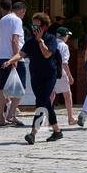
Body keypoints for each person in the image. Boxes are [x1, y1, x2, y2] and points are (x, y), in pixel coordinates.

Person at [16, 12, 62, 145]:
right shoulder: (30, 42)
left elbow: (47, 54)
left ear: (45, 27)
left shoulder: (50, 39)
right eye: (33, 26)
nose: (34, 29)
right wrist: (10, 60)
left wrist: (40, 41)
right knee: (46, 103)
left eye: (37, 26)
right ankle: (57, 131)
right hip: (36, 76)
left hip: (49, 76)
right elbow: (21, 53)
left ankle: (32, 133)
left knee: (41, 103)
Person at [0, 0, 26, 128]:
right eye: (24, 12)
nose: (24, 15)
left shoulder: (2, 20)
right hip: (14, 57)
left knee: (3, 88)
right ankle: (11, 114)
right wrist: (15, 59)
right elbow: (15, 40)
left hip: (3, 57)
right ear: (21, 10)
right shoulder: (17, 20)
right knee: (21, 88)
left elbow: (0, 39)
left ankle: (1, 117)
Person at [52, 25, 77, 125]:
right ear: (64, 36)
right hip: (60, 72)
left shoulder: (51, 43)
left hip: (50, 71)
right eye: (67, 36)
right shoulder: (64, 46)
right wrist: (70, 76)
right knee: (67, 95)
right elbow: (64, 63)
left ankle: (49, 118)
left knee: (51, 95)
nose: (68, 37)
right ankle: (70, 117)